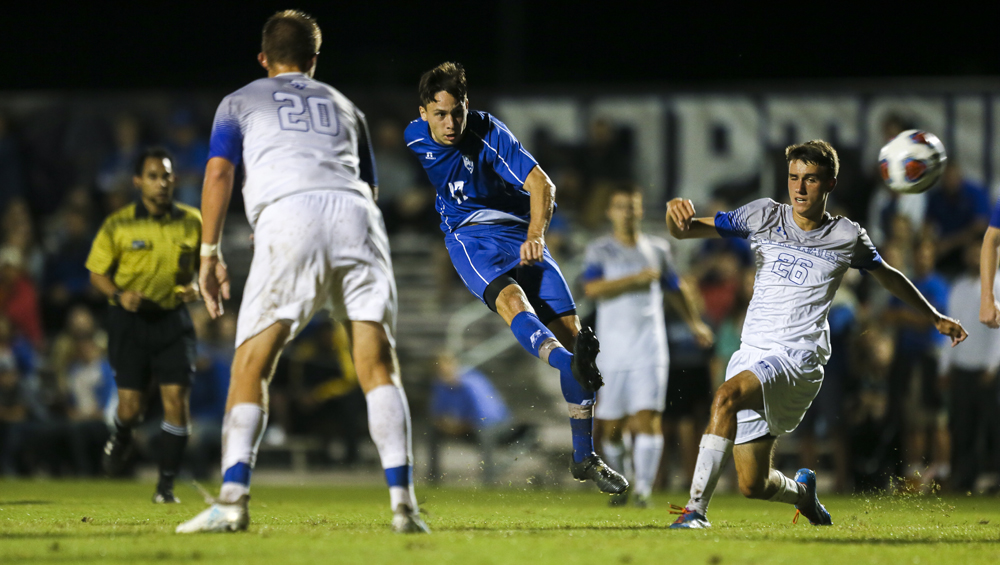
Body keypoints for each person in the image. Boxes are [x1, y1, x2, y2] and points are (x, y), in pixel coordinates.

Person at [177, 10, 427, 534]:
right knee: (377, 364)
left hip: (291, 215)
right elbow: (371, 188)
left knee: (252, 364)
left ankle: (232, 501)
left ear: (263, 57)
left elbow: (220, 170)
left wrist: (209, 253)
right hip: (359, 217)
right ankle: (404, 505)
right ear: (314, 61)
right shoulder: (347, 106)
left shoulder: (240, 100)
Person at [664, 140, 967, 529]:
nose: (799, 188)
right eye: (793, 178)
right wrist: (676, 214)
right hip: (751, 355)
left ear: (830, 184)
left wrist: (934, 316)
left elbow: (888, 275)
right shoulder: (763, 216)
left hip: (797, 359)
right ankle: (802, 492)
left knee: (724, 398)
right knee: (752, 485)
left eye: (810, 179)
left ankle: (694, 512)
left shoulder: (846, 236)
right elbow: (685, 232)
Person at [404, 62, 626, 495]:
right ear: (424, 112)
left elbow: (542, 184)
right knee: (515, 307)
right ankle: (567, 364)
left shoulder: (489, 132)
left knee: (576, 338)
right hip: (470, 239)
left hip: (520, 235)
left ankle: (583, 457)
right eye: (440, 115)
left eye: (457, 113)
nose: (450, 124)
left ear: (467, 106)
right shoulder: (414, 135)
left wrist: (536, 236)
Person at [581, 184, 714, 506]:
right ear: (611, 212)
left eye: (633, 206)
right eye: (621, 206)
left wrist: (694, 322)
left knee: (648, 418)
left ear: (641, 210)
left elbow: (675, 289)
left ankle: (643, 489)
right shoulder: (600, 250)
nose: (628, 212)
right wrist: (635, 280)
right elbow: (592, 289)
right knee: (612, 427)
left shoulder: (658, 249)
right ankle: (623, 481)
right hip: (611, 349)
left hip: (650, 347)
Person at [85, 146, 202, 503]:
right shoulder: (118, 223)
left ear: (174, 179)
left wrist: (196, 286)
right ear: (138, 182)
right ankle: (121, 434)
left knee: (176, 400)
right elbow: (96, 272)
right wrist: (119, 295)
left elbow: (205, 266)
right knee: (131, 409)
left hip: (171, 319)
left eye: (166, 175)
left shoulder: (192, 220)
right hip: (130, 321)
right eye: (153, 176)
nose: (161, 183)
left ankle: (165, 487)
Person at [944, 242, 1000, 492]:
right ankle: (964, 478)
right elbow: (950, 327)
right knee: (962, 426)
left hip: (989, 370)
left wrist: (992, 365)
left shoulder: (997, 284)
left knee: (994, 428)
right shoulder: (959, 287)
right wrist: (945, 366)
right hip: (963, 368)